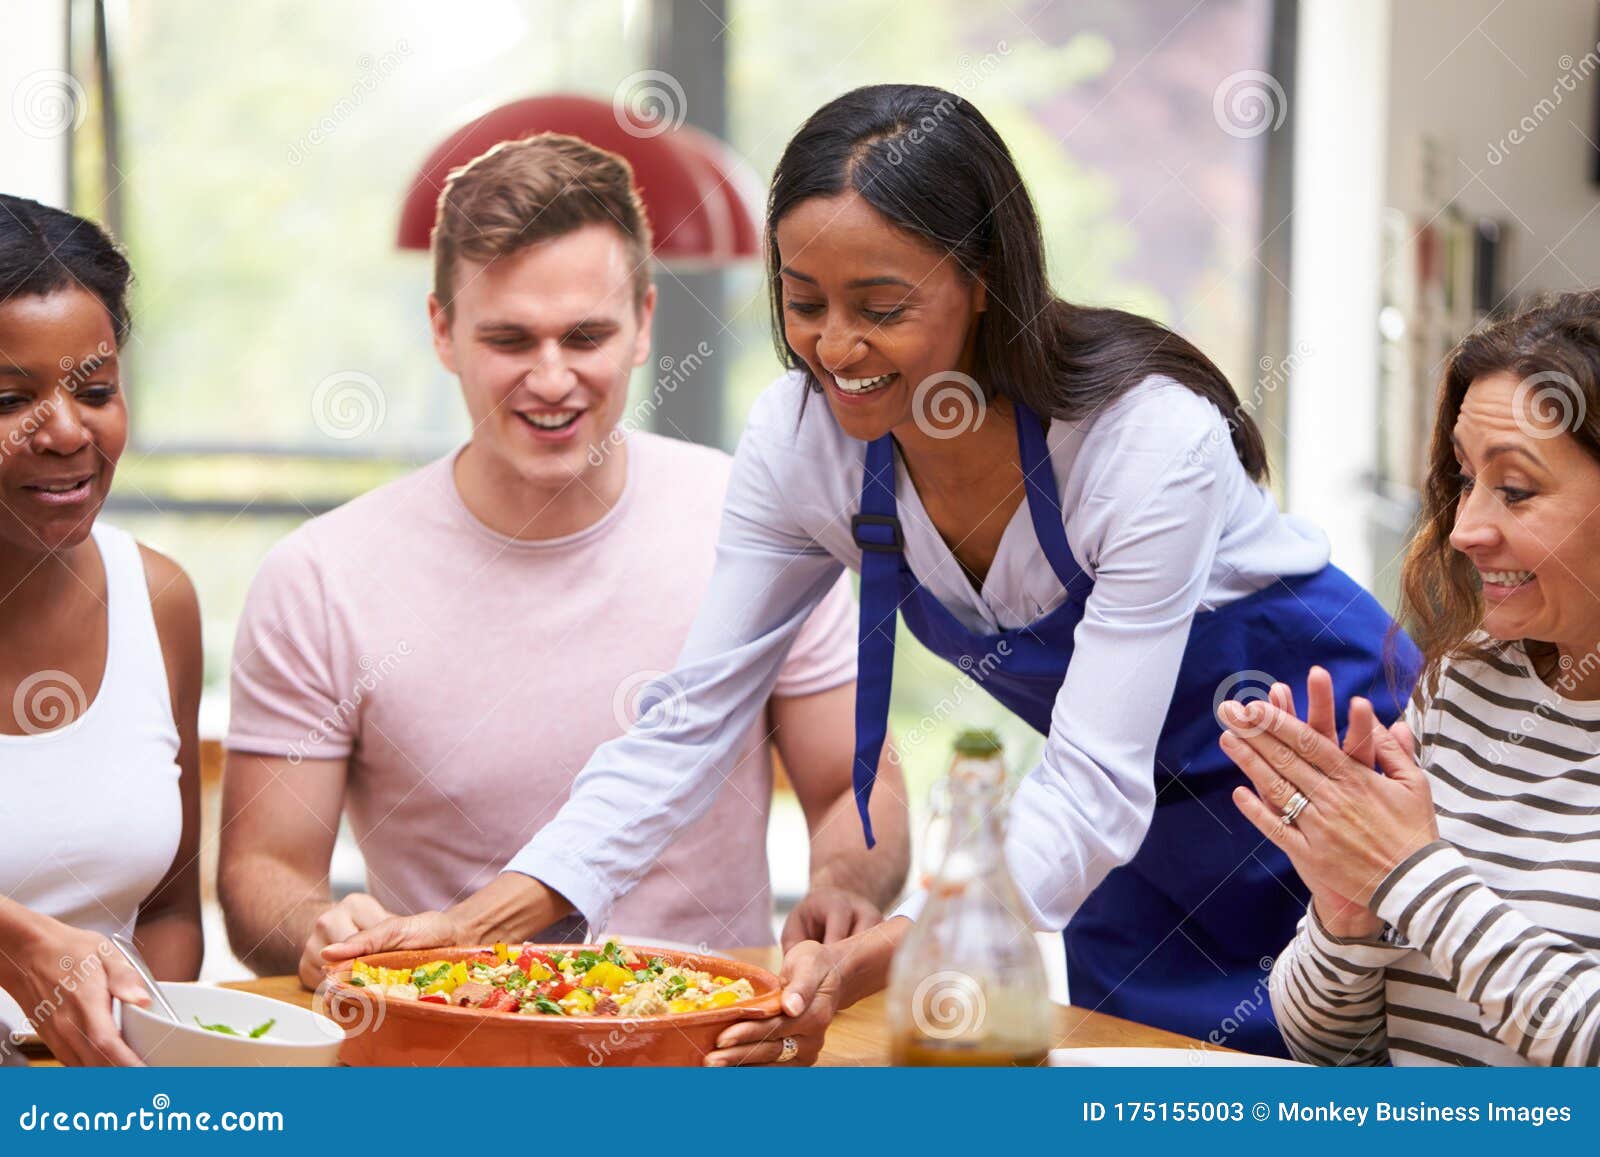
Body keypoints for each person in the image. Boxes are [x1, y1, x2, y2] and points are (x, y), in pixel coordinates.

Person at [327, 84, 1417, 1062]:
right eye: (805, 302)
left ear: (983, 282)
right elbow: (690, 718)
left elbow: (1090, 781)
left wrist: (903, 944)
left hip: (1350, 792)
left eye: (881, 308)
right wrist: (486, 918)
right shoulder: (803, 444)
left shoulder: (1142, 443)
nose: (834, 346)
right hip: (1128, 849)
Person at [218, 134, 908, 990]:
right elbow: (261, 873)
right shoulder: (320, 576)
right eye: (510, 339)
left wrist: (842, 881)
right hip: (456, 1056)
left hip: (715, 1053)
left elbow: (856, 783)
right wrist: (316, 931)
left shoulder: (759, 527)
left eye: (586, 335)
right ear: (443, 331)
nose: (551, 379)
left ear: (646, 325)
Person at [1223, 290, 1600, 1066]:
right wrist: (1346, 909)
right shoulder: (1461, 691)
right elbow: (1335, 1057)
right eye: (1465, 480)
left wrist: (1410, 875)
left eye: (1517, 489)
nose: (1465, 530)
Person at [0, 196, 204, 1065]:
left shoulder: (157, 599)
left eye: (94, 390)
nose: (69, 431)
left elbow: (168, 904)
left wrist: (150, 1076)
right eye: (11, 398)